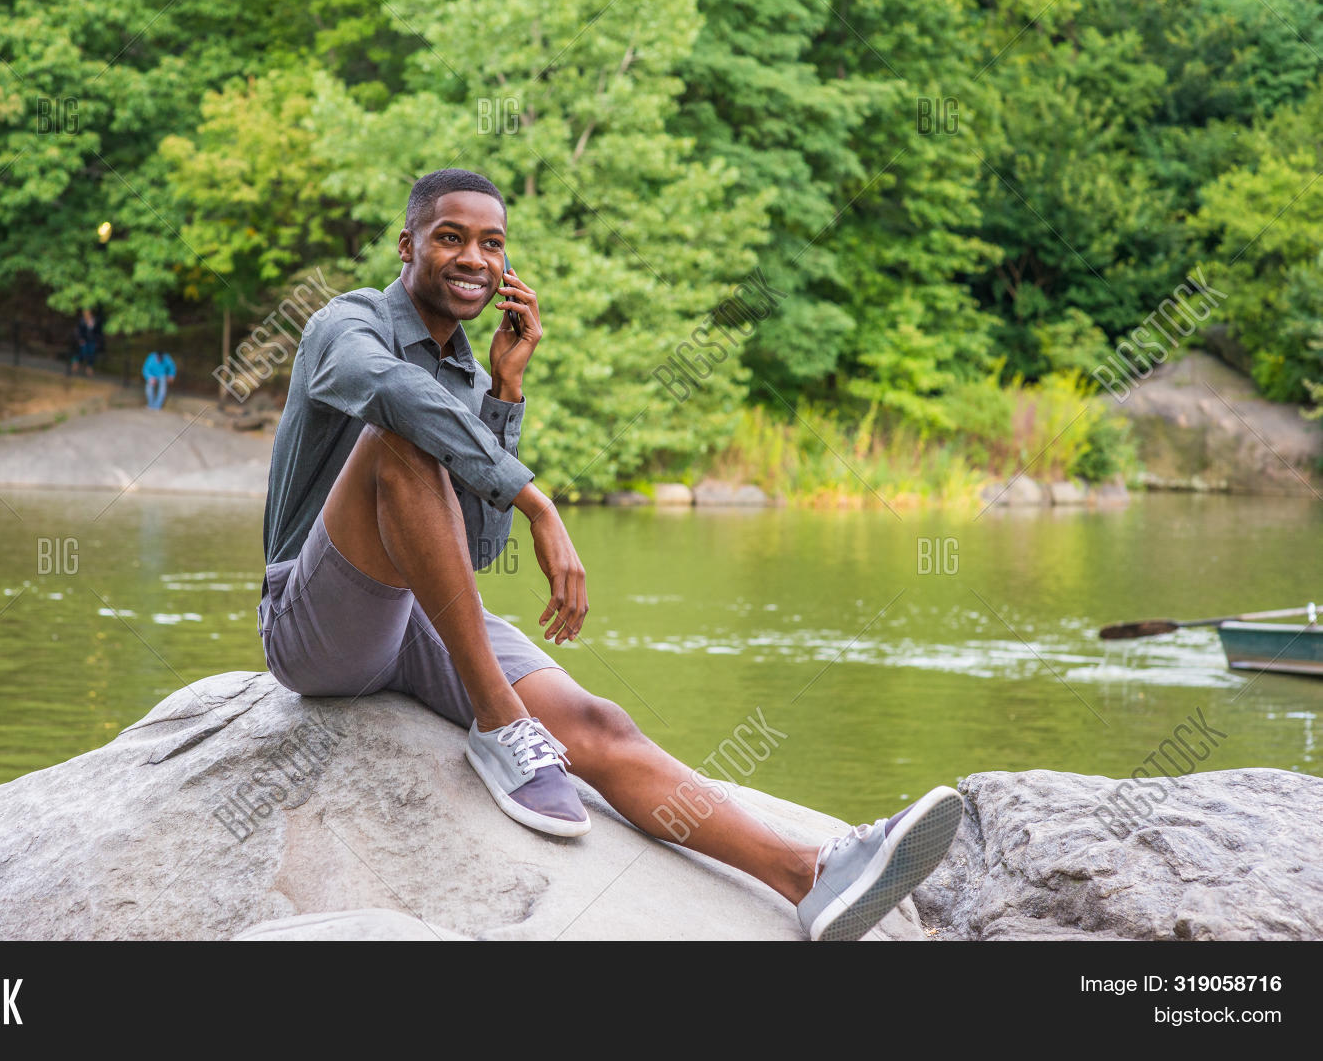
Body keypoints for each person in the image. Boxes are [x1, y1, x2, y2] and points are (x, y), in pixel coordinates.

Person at [254, 168, 963, 940]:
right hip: (315, 626)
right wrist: (536, 498)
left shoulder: (463, 369)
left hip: (416, 620)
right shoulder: (345, 324)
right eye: (450, 237)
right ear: (407, 245)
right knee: (401, 436)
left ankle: (810, 872)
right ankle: (501, 723)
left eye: (492, 244)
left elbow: (478, 551)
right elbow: (388, 395)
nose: (473, 258)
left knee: (597, 722)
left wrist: (504, 391)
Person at [71, 308, 102, 376]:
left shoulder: (95, 320)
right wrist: (80, 339)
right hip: (83, 340)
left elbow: (98, 331)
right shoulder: (82, 321)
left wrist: (97, 340)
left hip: (92, 340)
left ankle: (89, 367)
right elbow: (78, 331)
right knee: (83, 352)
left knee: (91, 353)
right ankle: (75, 362)